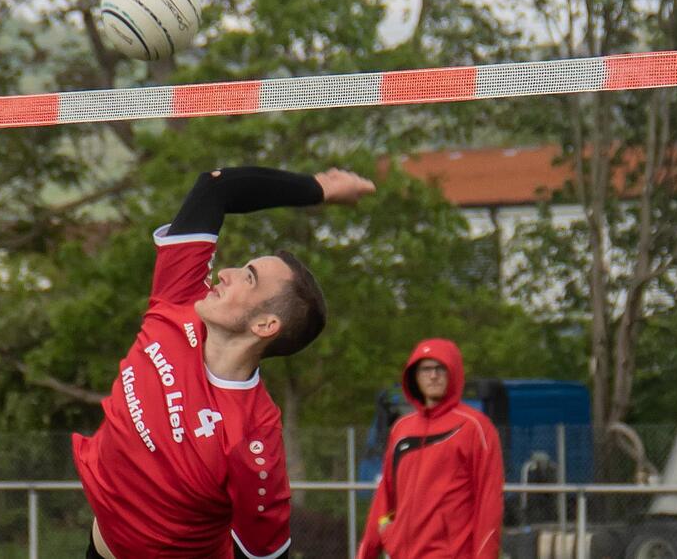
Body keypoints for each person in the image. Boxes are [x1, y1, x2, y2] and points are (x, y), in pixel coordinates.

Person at [72, 166, 376, 559]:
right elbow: (217, 187)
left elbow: (265, 553)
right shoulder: (179, 297)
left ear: (266, 324)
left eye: (248, 278)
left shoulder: (253, 439)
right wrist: (318, 188)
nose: (227, 272)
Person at [357, 338, 504, 559]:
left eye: (440, 368)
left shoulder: (475, 428)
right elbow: (384, 498)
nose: (433, 375)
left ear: (453, 372)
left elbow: (489, 503)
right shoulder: (401, 429)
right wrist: (368, 551)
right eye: (426, 369)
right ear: (414, 376)